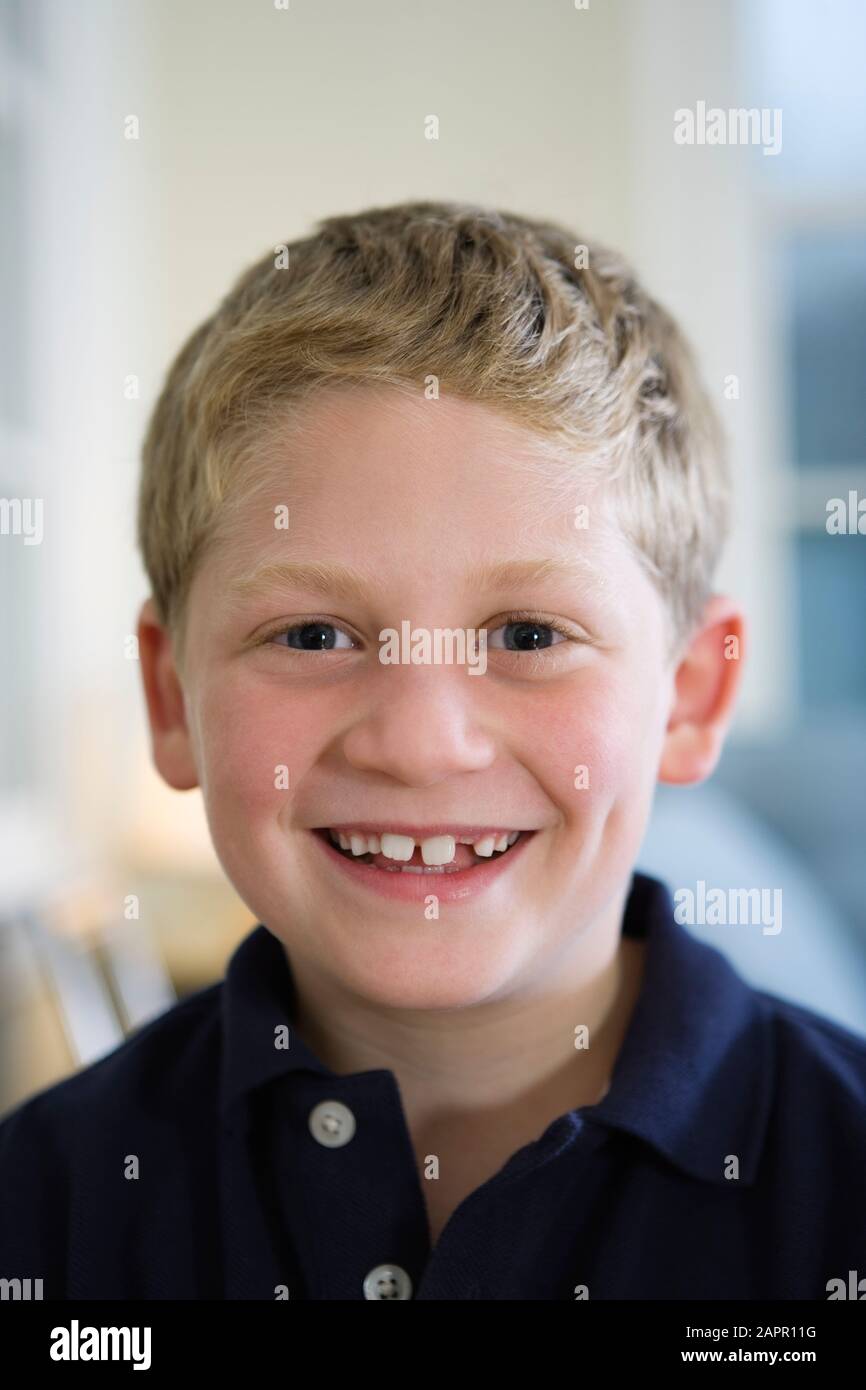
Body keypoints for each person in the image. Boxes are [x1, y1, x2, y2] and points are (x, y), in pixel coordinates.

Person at [1, 201, 864, 1300]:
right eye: (313, 635)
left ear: (688, 697)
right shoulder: (43, 1212)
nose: (419, 743)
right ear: (172, 699)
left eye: (528, 636)